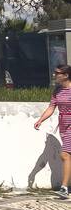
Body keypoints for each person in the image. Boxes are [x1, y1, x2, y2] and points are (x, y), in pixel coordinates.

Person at [33, 63, 71, 198]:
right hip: (63, 125)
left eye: (57, 73)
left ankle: (64, 188)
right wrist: (40, 120)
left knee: (65, 155)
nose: (55, 75)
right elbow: (51, 107)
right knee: (67, 155)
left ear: (66, 75)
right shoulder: (57, 90)